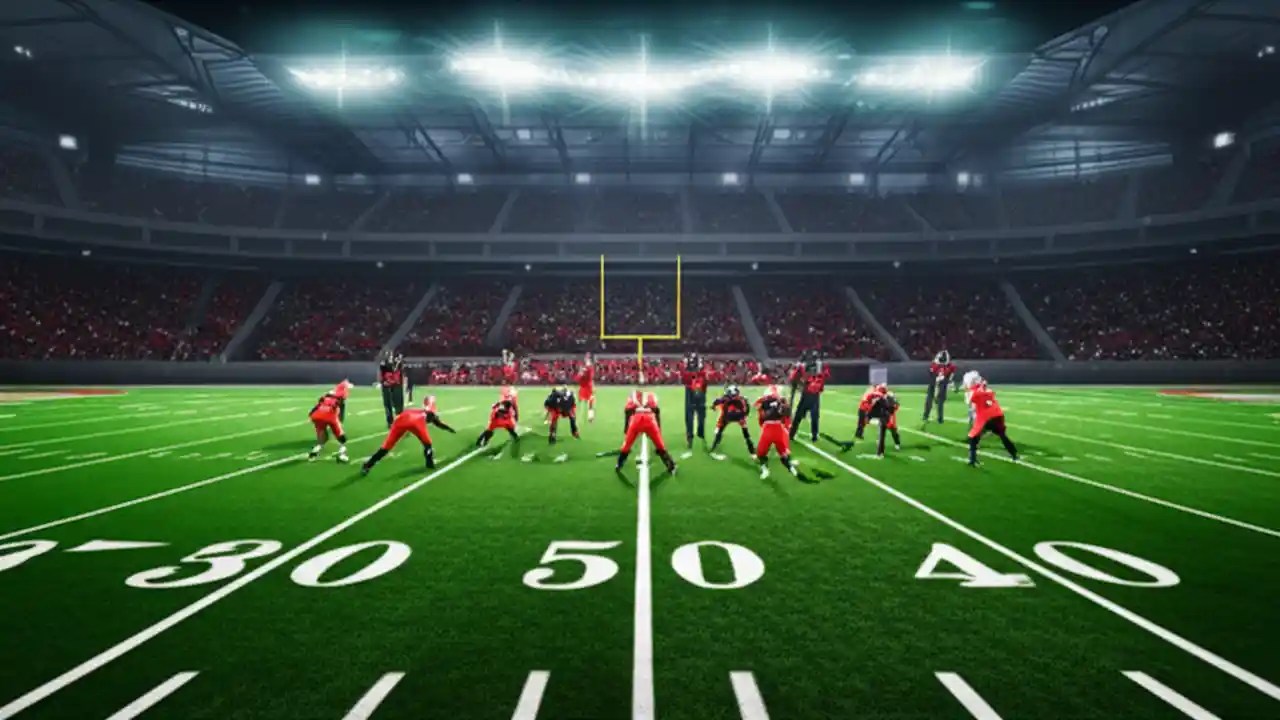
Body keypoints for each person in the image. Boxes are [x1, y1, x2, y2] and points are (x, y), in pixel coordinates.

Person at [360, 396, 456, 475]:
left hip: (401, 420)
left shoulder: (422, 411)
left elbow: (434, 417)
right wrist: (449, 429)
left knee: (386, 447)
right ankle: (429, 463)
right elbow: (437, 422)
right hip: (416, 422)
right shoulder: (428, 412)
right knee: (428, 444)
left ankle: (367, 465)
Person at [613, 389, 677, 474]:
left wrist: (626, 428)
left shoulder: (633, 394)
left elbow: (627, 411)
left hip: (636, 420)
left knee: (626, 445)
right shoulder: (651, 394)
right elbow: (656, 410)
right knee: (660, 446)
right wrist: (658, 428)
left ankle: (619, 465)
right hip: (649, 420)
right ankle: (670, 465)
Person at [963, 371, 1019, 467]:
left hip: (985, 418)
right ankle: (1014, 454)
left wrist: (969, 391)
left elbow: (970, 402)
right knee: (1002, 435)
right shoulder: (987, 390)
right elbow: (988, 395)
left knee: (973, 437)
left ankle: (972, 460)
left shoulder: (974, 392)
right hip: (997, 415)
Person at [754, 385, 797, 480]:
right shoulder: (780, 402)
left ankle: (765, 469)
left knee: (761, 453)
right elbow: (787, 413)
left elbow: (762, 415)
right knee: (782, 452)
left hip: (770, 428)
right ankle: (791, 468)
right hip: (777, 428)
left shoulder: (764, 402)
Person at [790, 353, 830, 443]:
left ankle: (814, 436)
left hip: (814, 398)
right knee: (798, 417)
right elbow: (795, 376)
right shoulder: (807, 377)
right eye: (811, 370)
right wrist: (799, 365)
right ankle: (792, 434)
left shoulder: (818, 376)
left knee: (814, 417)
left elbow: (826, 374)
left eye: (814, 369)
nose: (813, 371)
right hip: (806, 397)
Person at [709, 384, 755, 454]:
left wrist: (713, 407)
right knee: (746, 434)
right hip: (739, 417)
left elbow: (717, 401)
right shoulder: (741, 398)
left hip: (727, 416)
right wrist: (745, 415)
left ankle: (713, 447)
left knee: (719, 430)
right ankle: (752, 452)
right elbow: (746, 409)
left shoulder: (725, 398)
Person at [308, 389, 350, 463]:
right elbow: (339, 410)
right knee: (342, 438)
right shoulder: (337, 400)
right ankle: (342, 454)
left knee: (323, 438)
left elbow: (314, 409)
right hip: (330, 417)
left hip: (316, 417)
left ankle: (315, 451)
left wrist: (311, 416)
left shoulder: (323, 399)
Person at [681, 352, 709, 448]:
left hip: (693, 394)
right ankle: (698, 435)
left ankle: (691, 436)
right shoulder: (702, 373)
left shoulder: (690, 373)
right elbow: (705, 383)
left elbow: (684, 379)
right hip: (699, 394)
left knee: (691, 416)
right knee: (698, 416)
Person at [922, 350, 958, 424]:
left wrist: (949, 381)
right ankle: (926, 415)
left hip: (943, 384)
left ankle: (940, 419)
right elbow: (931, 376)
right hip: (933, 383)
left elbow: (951, 376)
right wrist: (937, 380)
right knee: (929, 399)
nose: (942, 362)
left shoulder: (950, 366)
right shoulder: (934, 365)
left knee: (940, 401)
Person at [376, 350, 408, 428]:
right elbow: (381, 374)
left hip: (396, 385)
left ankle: (400, 422)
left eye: (389, 355)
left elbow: (401, 373)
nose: (389, 356)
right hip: (387, 385)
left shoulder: (398, 363)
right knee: (388, 405)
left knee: (398, 405)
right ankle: (390, 422)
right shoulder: (383, 364)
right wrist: (382, 382)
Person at [576, 352, 597, 422]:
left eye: (587, 357)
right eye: (586, 357)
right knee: (582, 401)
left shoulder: (588, 367)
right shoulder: (586, 367)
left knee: (589, 402)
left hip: (587, 386)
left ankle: (590, 416)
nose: (586, 358)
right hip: (585, 386)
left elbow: (588, 377)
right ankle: (586, 416)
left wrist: (581, 373)